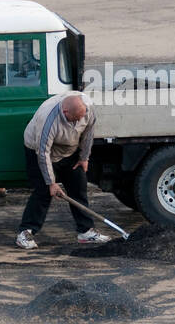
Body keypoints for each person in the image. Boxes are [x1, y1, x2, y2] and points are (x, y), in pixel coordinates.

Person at [15, 91, 111, 250]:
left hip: (68, 151)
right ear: (65, 112)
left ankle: (85, 232)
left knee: (79, 187)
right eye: (75, 119)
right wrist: (51, 183)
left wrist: (84, 157)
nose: (79, 121)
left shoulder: (87, 110)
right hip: (39, 151)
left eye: (81, 117)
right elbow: (43, 153)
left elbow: (88, 133)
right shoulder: (48, 120)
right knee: (43, 191)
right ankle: (25, 232)